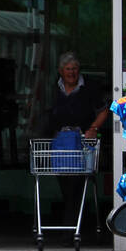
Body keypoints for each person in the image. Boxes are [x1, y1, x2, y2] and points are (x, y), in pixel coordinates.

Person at [44, 52, 109, 236]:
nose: (71, 73)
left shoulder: (89, 88)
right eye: (68, 69)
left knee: (76, 185)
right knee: (65, 184)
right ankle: (72, 223)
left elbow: (104, 111)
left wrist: (93, 128)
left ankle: (70, 231)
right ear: (60, 71)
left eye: (74, 69)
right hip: (60, 144)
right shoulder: (54, 89)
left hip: (81, 143)